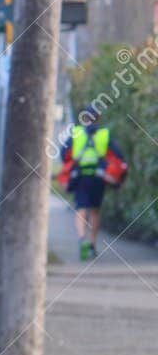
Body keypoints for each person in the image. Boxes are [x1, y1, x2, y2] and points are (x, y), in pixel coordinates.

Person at [62, 106, 125, 260]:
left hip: (80, 176)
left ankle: (82, 237)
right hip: (98, 176)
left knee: (81, 208)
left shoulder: (75, 133)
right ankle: (92, 243)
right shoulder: (104, 134)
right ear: (98, 117)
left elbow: (64, 154)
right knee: (95, 210)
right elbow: (118, 155)